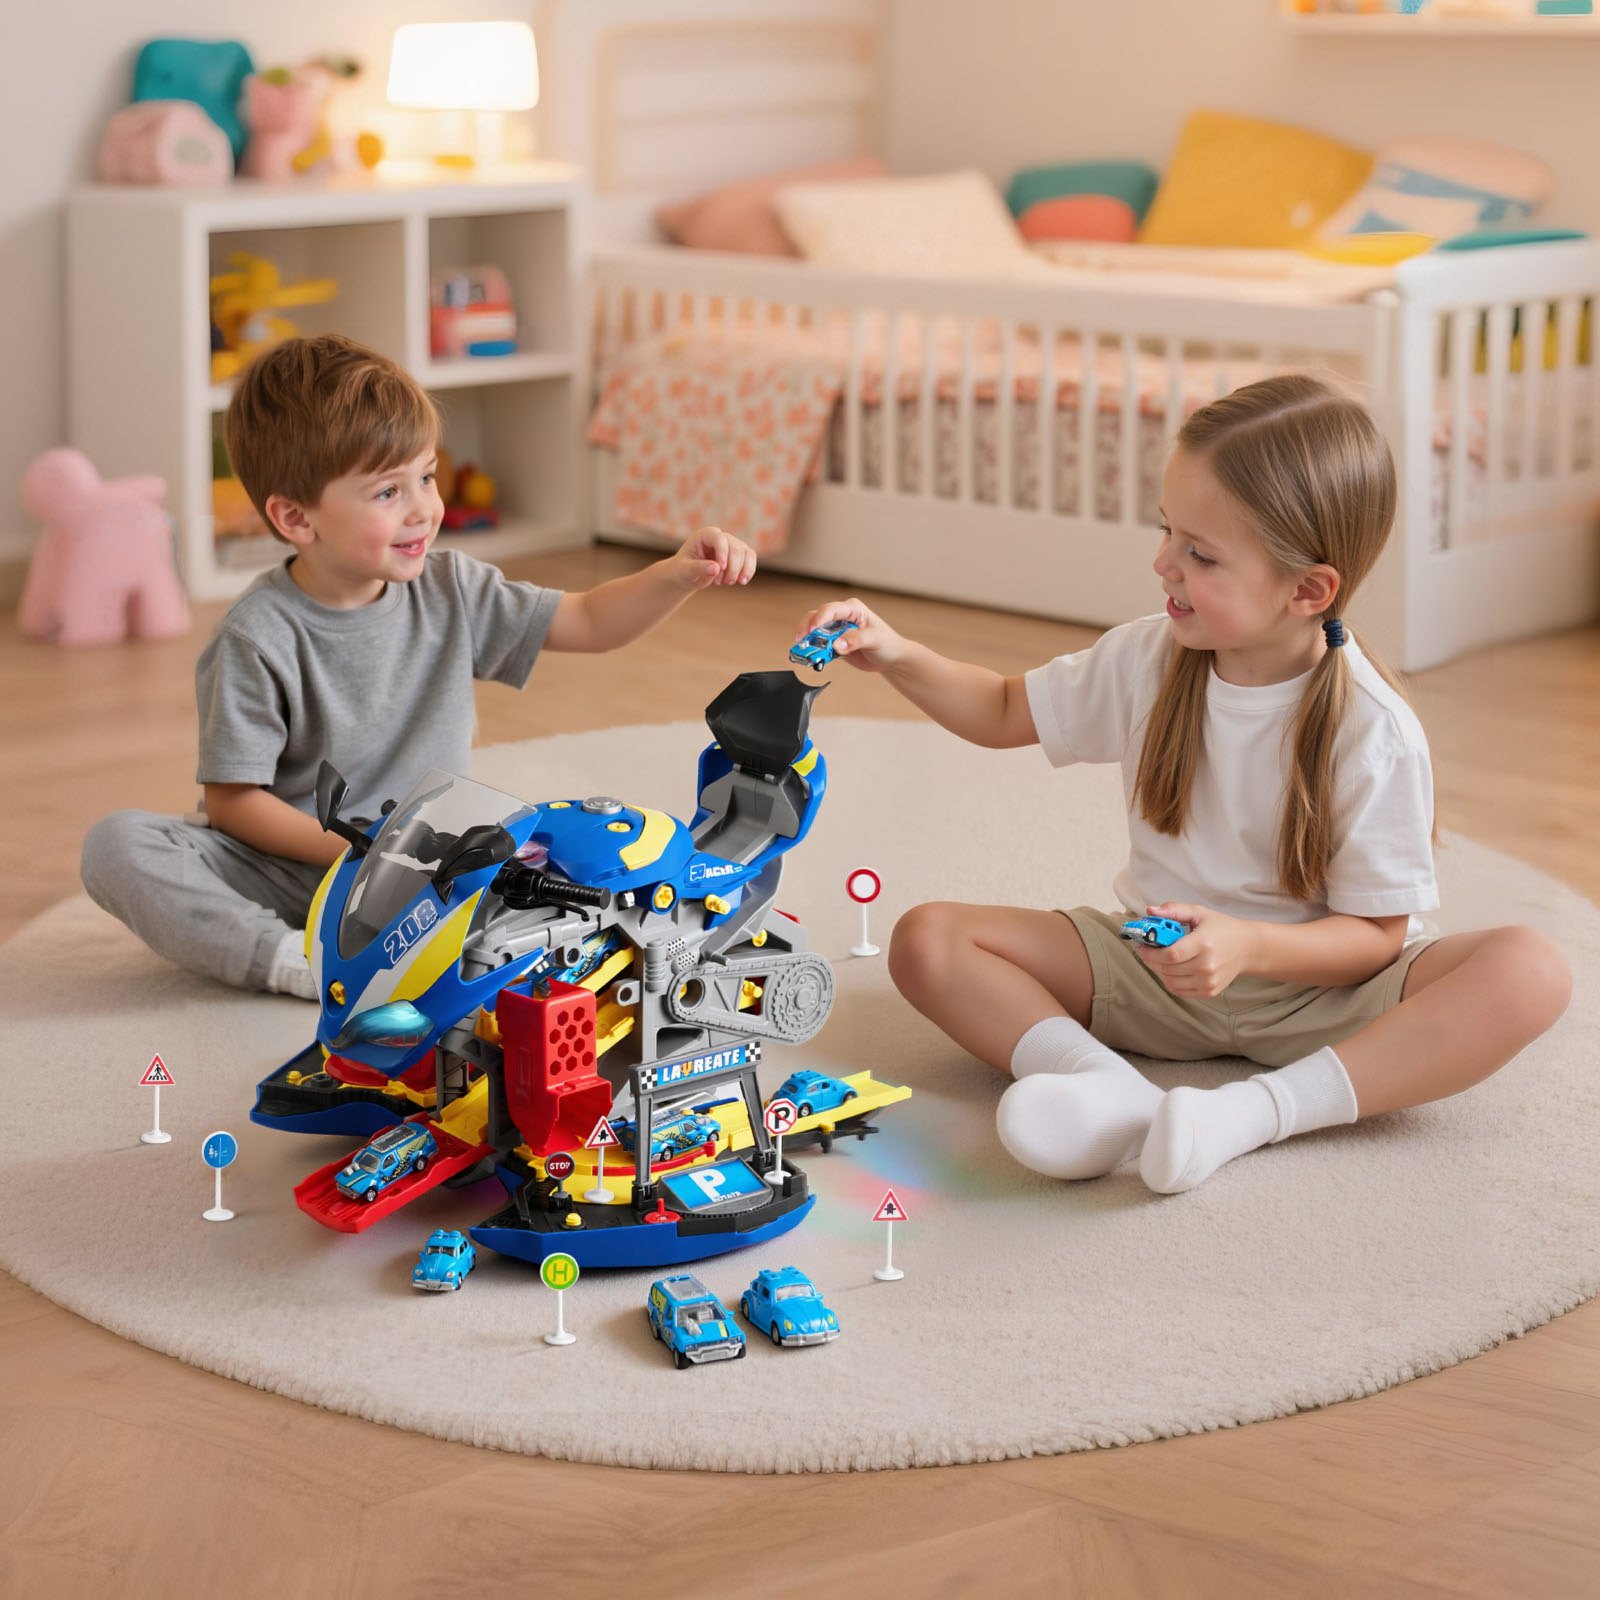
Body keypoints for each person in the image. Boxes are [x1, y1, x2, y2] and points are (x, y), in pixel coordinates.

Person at [794, 374, 1571, 1195]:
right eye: (1169, 531)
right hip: (1156, 971)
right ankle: (1110, 1091)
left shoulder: (1374, 730)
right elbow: (999, 709)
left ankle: (1252, 1114)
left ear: (1309, 590)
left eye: (1200, 554)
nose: (1163, 562)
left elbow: (1376, 939)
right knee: (929, 940)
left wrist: (1247, 946)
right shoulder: (1146, 656)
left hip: (1324, 997)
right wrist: (895, 652)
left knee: (1530, 971)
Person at [82, 334, 758, 1000]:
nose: (423, 510)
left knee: (584, 843)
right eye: (386, 493)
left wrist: (675, 576)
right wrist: (370, 852)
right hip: (298, 869)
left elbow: (586, 621)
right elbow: (234, 802)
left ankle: (455, 948)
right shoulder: (257, 635)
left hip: (437, 871)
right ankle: (289, 960)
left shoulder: (451, 587)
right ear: (296, 518)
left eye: (427, 477)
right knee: (117, 846)